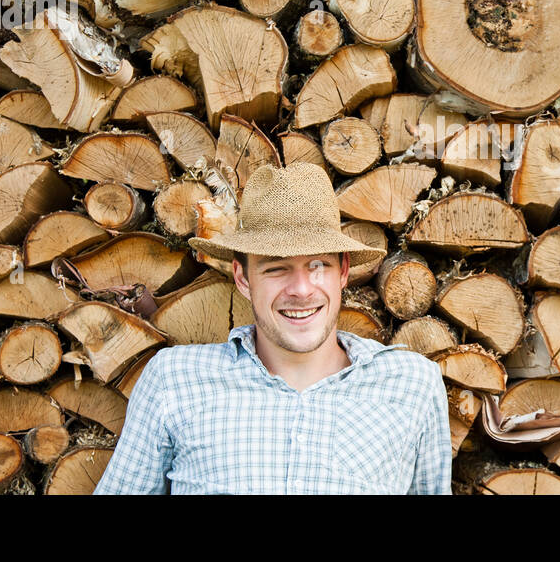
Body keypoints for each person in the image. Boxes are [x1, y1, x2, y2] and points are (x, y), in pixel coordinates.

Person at [94, 163, 451, 494]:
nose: (300, 289)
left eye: (317, 265)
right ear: (243, 278)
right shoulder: (174, 381)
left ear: (342, 273)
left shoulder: (413, 386)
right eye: (276, 268)